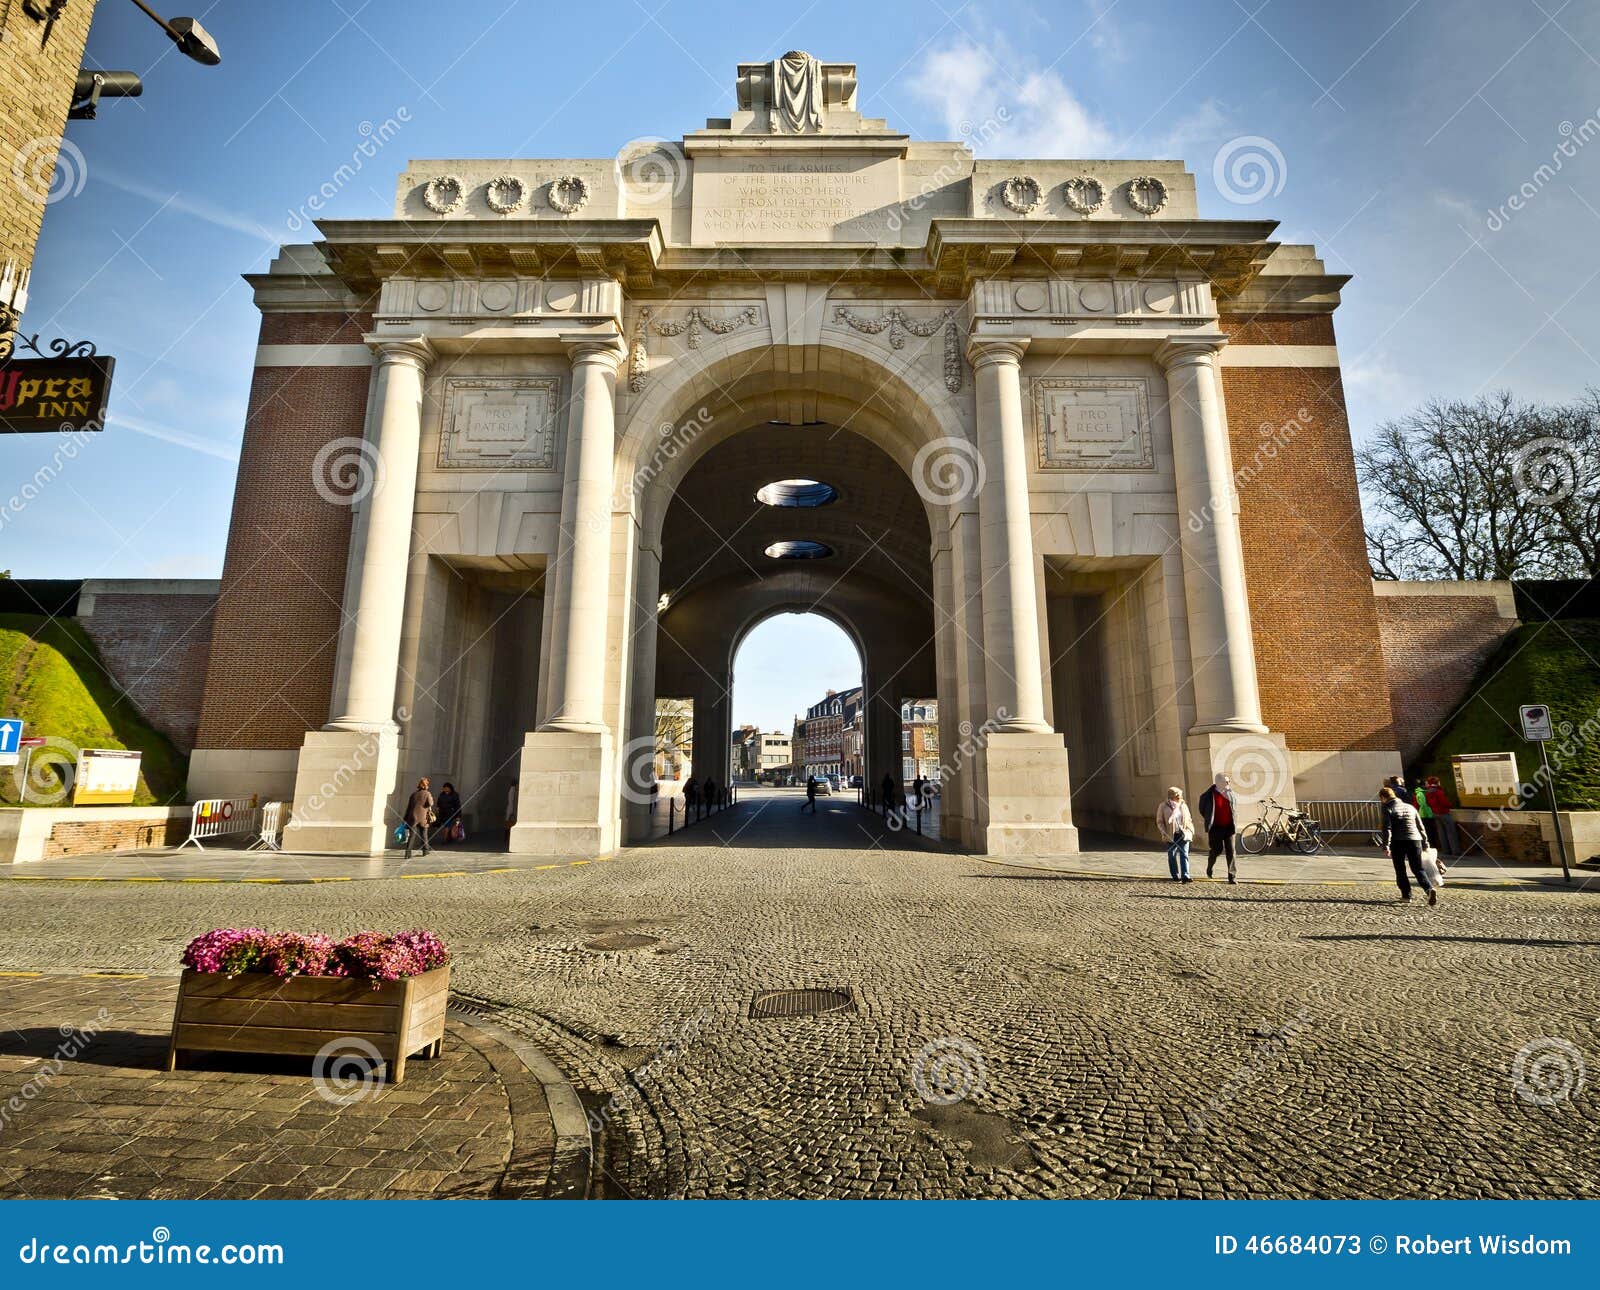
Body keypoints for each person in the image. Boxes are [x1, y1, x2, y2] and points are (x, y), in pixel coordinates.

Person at [1380, 785, 1437, 905]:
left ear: (1383, 798)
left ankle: (1406, 895)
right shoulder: (1410, 807)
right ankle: (1429, 889)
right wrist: (1425, 843)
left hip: (1398, 841)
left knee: (1400, 869)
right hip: (1415, 839)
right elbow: (1421, 827)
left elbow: (1387, 828)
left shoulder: (1387, 808)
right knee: (1418, 868)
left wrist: (1386, 845)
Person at [1198, 771, 1238, 884]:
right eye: (1226, 781)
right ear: (1218, 782)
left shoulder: (1231, 793)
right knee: (1216, 850)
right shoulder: (1207, 795)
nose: (1228, 783)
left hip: (1229, 827)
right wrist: (1210, 819)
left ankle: (1232, 876)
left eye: (1229, 781)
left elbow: (1234, 809)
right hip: (1215, 828)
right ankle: (1210, 867)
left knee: (1231, 851)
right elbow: (1202, 810)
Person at [1157, 787, 1194, 883]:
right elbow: (1160, 821)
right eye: (1178, 795)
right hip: (1171, 834)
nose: (1180, 797)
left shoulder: (1183, 805)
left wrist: (1190, 830)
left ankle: (1185, 875)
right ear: (1172, 796)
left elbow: (1189, 819)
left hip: (1183, 833)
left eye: (1180, 795)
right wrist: (1164, 832)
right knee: (1172, 855)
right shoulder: (1163, 806)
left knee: (1184, 854)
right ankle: (1175, 874)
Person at [1424, 775, 1460, 859]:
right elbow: (1444, 802)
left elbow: (1428, 803)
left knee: (1441, 833)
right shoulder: (1439, 791)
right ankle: (1455, 851)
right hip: (1444, 812)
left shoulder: (1428, 792)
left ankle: (1446, 850)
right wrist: (1450, 805)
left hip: (1435, 813)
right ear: (1437, 782)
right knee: (1451, 832)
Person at [404, 777, 434, 859]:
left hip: (412, 818)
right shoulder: (427, 794)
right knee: (424, 834)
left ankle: (407, 854)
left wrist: (405, 818)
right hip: (423, 818)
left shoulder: (413, 794)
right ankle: (425, 851)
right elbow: (430, 803)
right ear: (427, 785)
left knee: (411, 836)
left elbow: (409, 807)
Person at [1412, 780, 1437, 851]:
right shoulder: (1421, 793)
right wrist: (1428, 813)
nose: (1428, 785)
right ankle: (1430, 845)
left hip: (1426, 814)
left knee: (1429, 830)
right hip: (1425, 814)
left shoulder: (1424, 792)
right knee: (1428, 830)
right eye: (1426, 784)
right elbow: (1423, 804)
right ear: (1423, 785)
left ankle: (1431, 844)